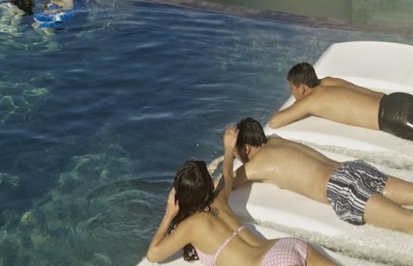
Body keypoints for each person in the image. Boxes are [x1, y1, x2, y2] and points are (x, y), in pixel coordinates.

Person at [225, 117, 413, 233]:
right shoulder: (275, 141)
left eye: (237, 154)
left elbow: (224, 185)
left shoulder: (257, 164)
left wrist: (227, 150)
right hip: (353, 169)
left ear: (246, 148)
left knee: (407, 222)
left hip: (341, 187)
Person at [146, 158, 332, 265]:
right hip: (287, 246)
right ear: (209, 185)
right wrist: (228, 149)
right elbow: (227, 176)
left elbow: (153, 254)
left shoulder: (191, 226)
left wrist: (169, 213)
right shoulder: (219, 199)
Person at [272, 62, 413, 142]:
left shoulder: (311, 100)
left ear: (302, 88)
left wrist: (297, 104)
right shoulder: (328, 81)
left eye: (292, 87)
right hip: (397, 99)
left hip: (393, 117)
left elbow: (274, 122)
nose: (291, 92)